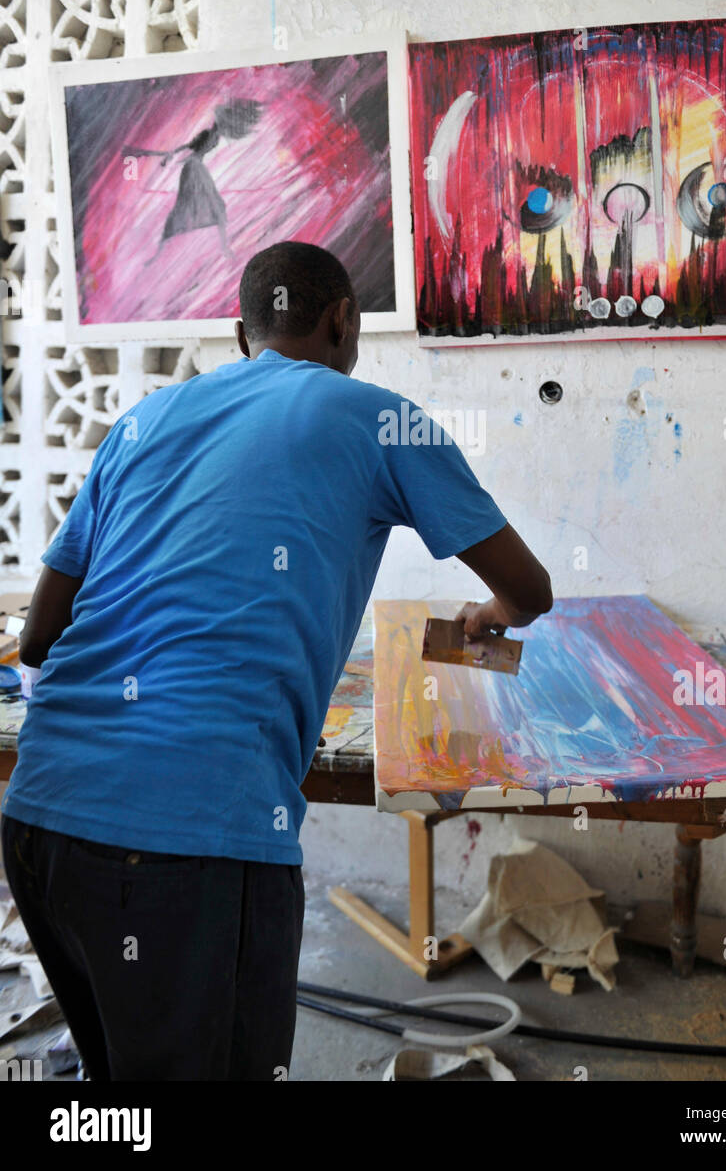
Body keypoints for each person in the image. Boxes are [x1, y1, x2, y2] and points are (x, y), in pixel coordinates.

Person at [1, 240, 552, 1081]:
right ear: (343, 323)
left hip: (40, 820)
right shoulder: (376, 415)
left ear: (239, 332)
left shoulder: (142, 421)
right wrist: (489, 616)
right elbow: (530, 589)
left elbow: (39, 638)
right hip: (192, 840)